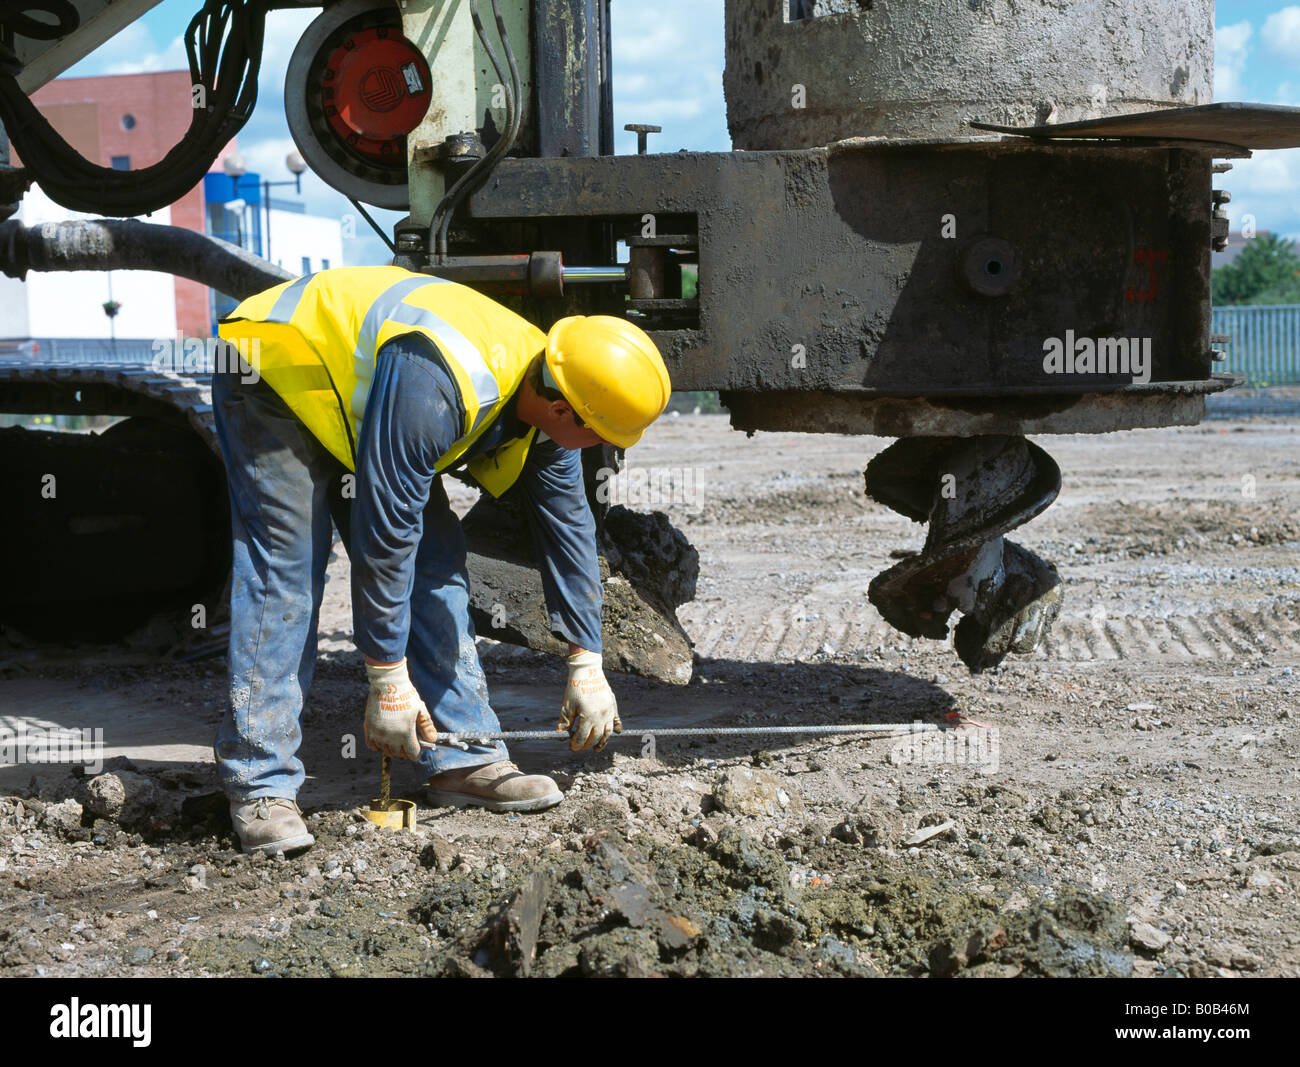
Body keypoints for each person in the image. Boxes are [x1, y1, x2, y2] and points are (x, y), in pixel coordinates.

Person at [210, 265, 671, 854]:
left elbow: (569, 526)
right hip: (274, 370)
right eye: (603, 435)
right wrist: (386, 676)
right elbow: (385, 527)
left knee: (437, 564)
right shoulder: (444, 383)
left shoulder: (552, 387)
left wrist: (587, 659)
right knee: (288, 566)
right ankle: (260, 783)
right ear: (566, 411)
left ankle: (464, 756)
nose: (603, 448)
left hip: (370, 400)